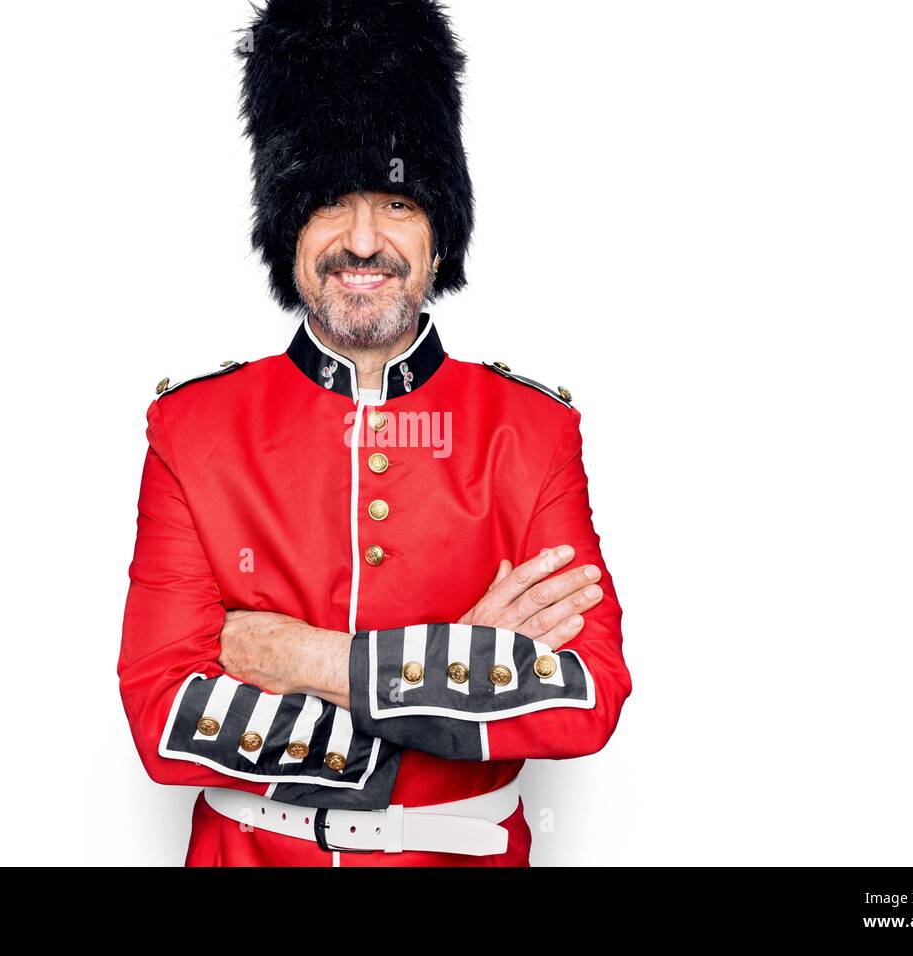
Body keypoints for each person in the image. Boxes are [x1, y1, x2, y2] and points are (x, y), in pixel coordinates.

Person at [117, 0, 632, 866]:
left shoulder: (535, 430)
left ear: (438, 239)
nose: (363, 240)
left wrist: (299, 655)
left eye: (396, 202)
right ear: (289, 230)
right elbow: (160, 713)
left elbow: (588, 699)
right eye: (329, 203)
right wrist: (454, 663)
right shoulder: (191, 428)